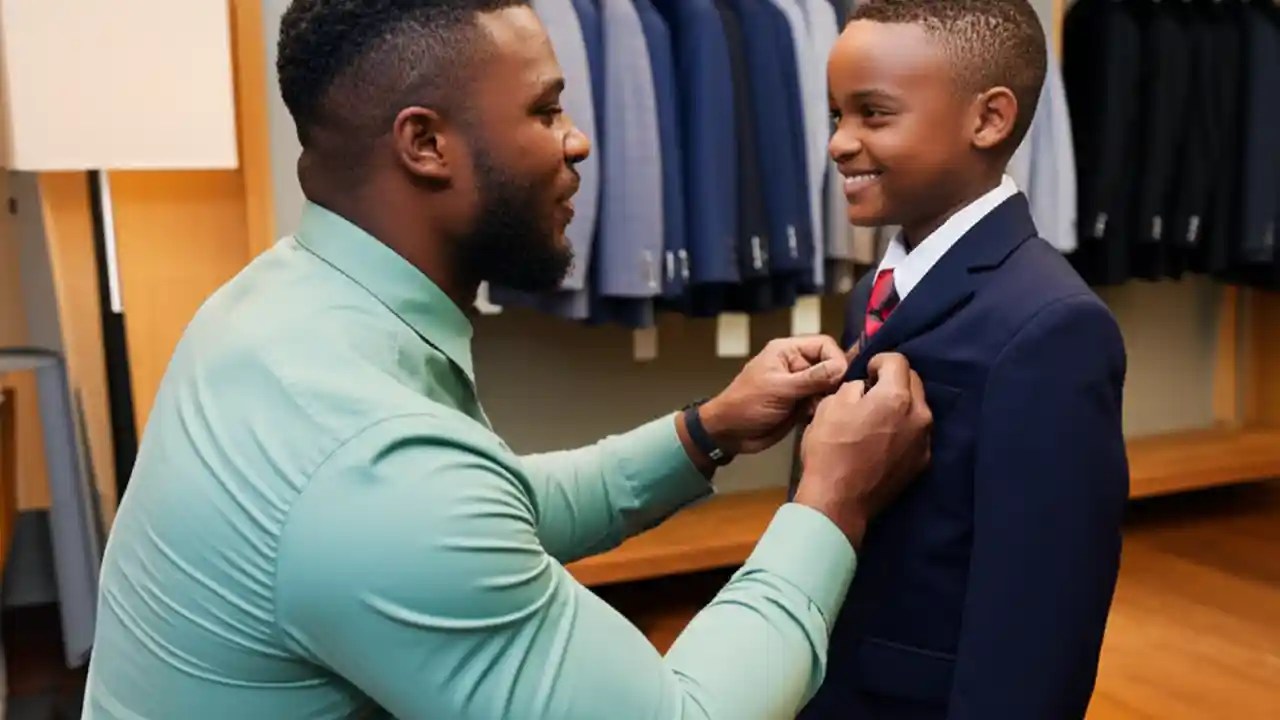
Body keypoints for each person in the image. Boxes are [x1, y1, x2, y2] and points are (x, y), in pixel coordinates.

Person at [80, 1, 934, 718]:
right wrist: (832, 500)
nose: (581, 142)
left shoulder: (276, 306)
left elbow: (496, 509)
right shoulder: (370, 461)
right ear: (425, 145)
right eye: (545, 110)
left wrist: (705, 431)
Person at [803, 1, 1130, 718]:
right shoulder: (871, 296)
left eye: (874, 114)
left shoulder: (1053, 328)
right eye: (836, 116)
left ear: (989, 119)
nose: (838, 142)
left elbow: (1041, 620)